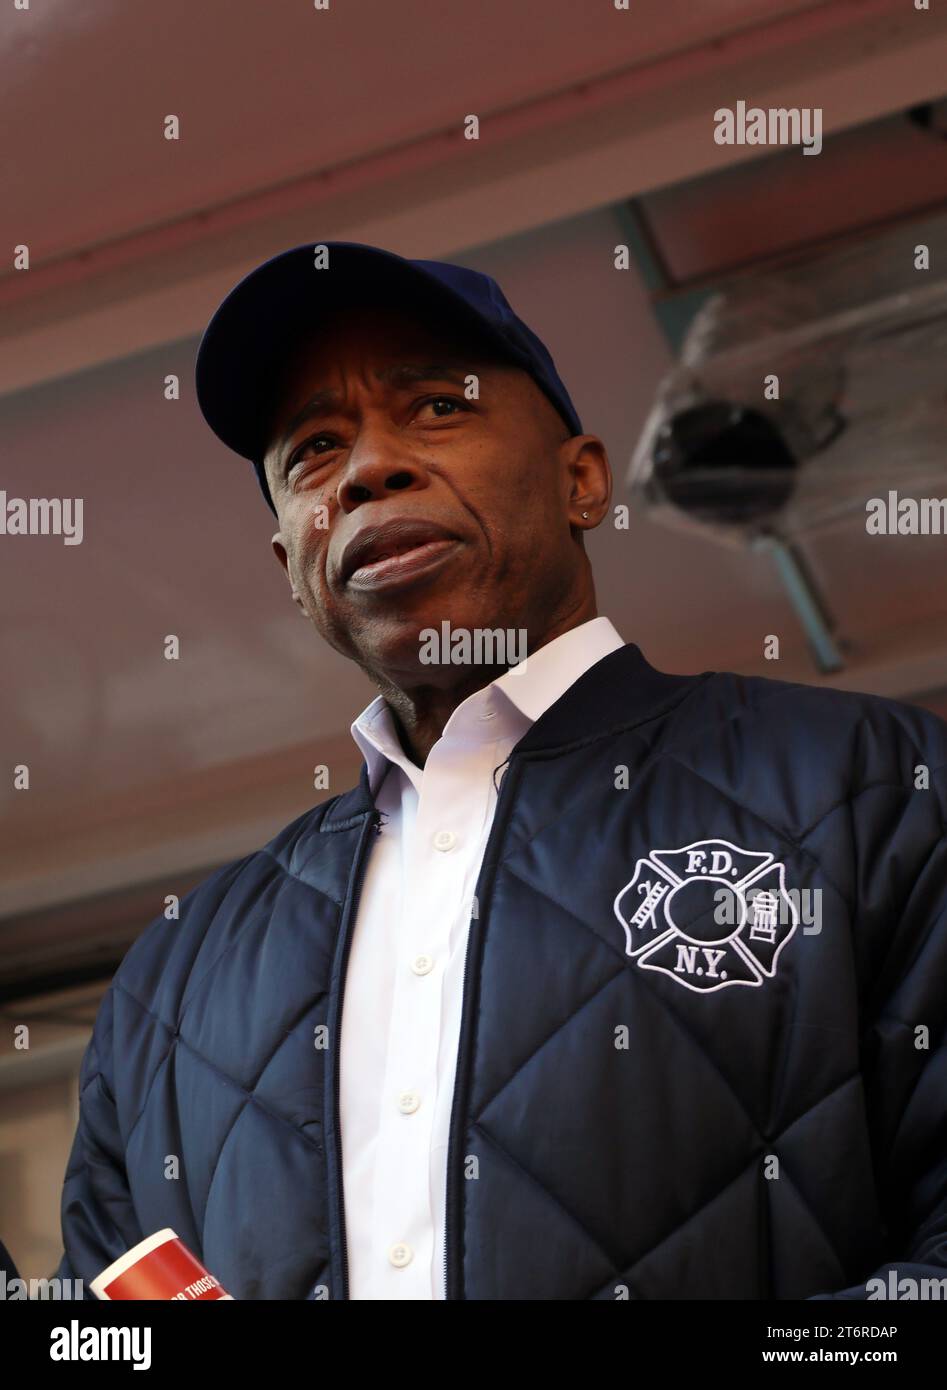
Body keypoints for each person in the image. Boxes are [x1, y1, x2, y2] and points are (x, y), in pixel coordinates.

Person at [55, 242, 947, 1300]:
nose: (364, 469)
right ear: (291, 569)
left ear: (582, 479)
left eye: (437, 407)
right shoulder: (170, 983)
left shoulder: (872, 787)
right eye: (311, 450)